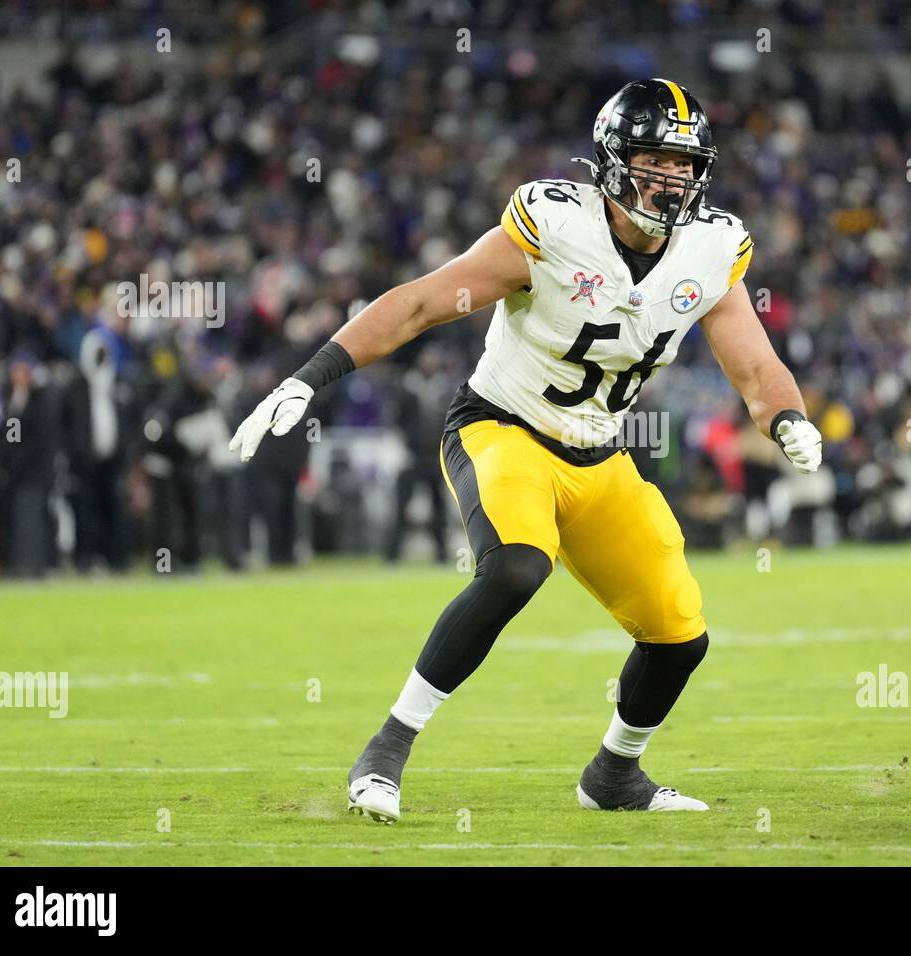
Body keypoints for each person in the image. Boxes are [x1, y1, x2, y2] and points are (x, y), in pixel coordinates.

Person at [229, 79, 824, 822]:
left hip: (600, 455)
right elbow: (420, 301)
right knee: (515, 564)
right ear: (611, 160)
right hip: (503, 426)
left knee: (679, 635)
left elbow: (755, 366)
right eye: (654, 159)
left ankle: (614, 776)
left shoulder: (710, 249)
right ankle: (386, 749)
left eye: (684, 164)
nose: (671, 179)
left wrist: (786, 416)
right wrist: (309, 377)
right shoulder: (552, 226)